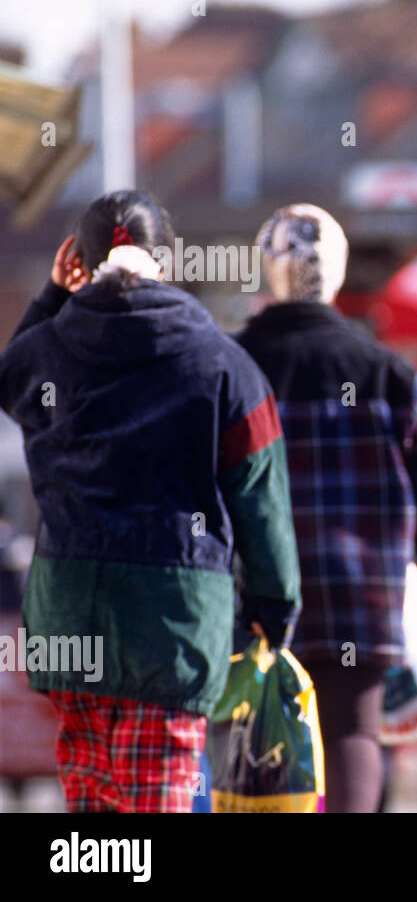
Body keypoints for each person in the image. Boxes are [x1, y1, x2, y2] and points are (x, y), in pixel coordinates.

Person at [0, 191, 301, 812]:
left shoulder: (49, 349)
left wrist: (54, 299)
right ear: (165, 260)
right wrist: (273, 611)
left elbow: (13, 382)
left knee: (92, 804)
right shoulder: (225, 364)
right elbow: (261, 501)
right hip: (175, 620)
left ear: (77, 261)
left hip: (67, 614)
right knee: (157, 794)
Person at [234, 203, 417, 813]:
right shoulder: (385, 370)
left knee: (254, 744)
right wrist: (398, 554)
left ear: (269, 272)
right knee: (351, 735)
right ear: (337, 274)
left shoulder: (230, 367)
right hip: (359, 595)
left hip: (254, 592)